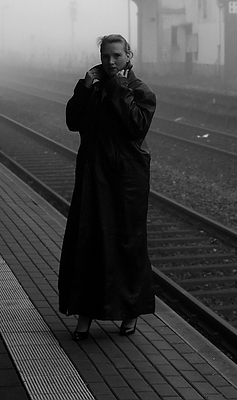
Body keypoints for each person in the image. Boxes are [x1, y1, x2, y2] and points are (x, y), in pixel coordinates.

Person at [58, 34, 157, 341]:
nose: (110, 61)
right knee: (87, 242)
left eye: (116, 55)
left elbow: (135, 127)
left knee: (127, 244)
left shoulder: (141, 91)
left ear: (129, 56)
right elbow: (73, 122)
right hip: (92, 175)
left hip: (126, 180)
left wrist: (119, 89)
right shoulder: (95, 89)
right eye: (105, 56)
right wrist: (85, 86)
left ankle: (129, 312)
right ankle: (85, 314)